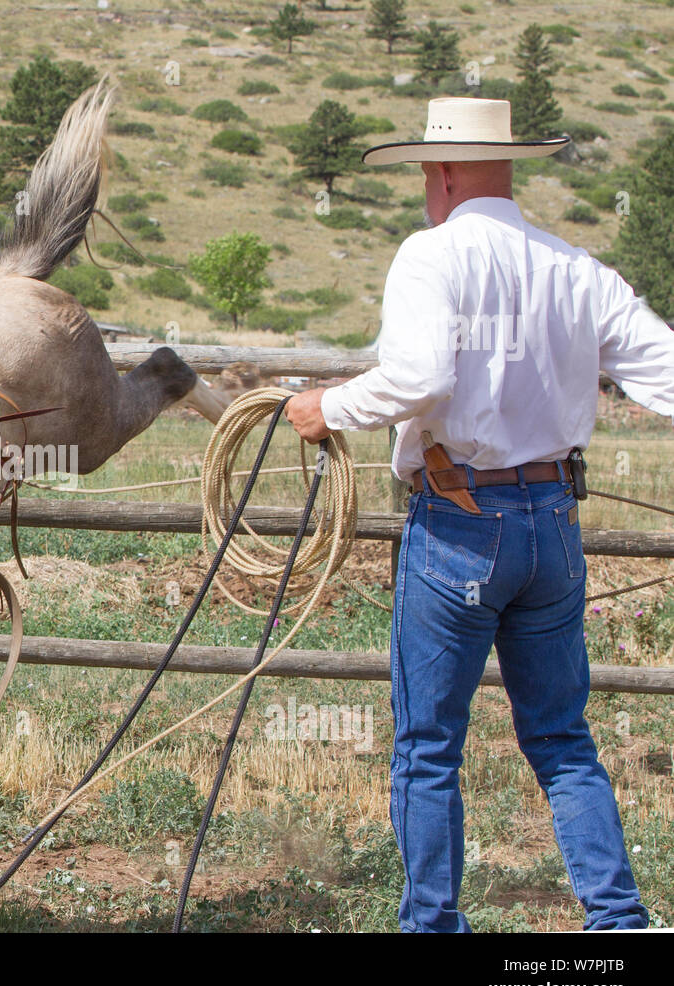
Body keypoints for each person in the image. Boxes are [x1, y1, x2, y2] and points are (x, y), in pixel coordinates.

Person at [284, 97, 674, 932]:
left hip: (462, 524)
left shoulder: (433, 256)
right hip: (553, 520)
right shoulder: (577, 268)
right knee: (563, 740)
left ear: (446, 172)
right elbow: (667, 371)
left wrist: (329, 405)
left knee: (428, 746)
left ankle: (432, 924)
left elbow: (420, 376)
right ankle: (618, 922)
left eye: (428, 171)